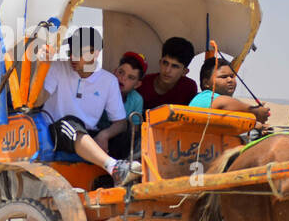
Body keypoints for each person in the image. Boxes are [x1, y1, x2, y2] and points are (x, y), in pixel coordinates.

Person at [35, 26, 137, 184]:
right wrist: (42, 67)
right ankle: (114, 168)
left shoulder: (108, 81)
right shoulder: (57, 67)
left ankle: (135, 179)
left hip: (88, 133)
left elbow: (120, 123)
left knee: (131, 132)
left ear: (95, 54)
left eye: (79, 53)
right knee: (70, 123)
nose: (73, 57)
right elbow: (38, 101)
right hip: (57, 130)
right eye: (71, 51)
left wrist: (105, 135)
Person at [189, 56, 271, 125]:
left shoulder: (231, 106)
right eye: (223, 77)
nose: (230, 80)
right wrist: (255, 111)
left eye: (232, 76)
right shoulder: (204, 97)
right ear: (206, 83)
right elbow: (223, 103)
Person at [97, 51, 146, 160]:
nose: (123, 78)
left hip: (118, 138)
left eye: (131, 78)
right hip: (95, 132)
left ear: (137, 84)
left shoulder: (137, 99)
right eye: (121, 72)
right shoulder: (100, 88)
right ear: (114, 71)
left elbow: (134, 131)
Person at [137, 37, 198, 110]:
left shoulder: (189, 88)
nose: (167, 70)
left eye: (175, 66)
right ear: (160, 62)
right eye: (165, 63)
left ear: (184, 72)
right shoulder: (142, 84)